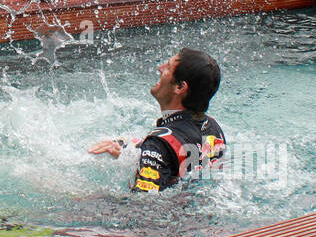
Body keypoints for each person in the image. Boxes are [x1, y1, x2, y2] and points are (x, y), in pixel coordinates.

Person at [88, 48, 227, 193]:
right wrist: (130, 149)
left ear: (180, 87)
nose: (160, 68)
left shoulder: (158, 143)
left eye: (168, 67)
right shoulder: (213, 128)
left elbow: (141, 204)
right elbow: (182, 156)